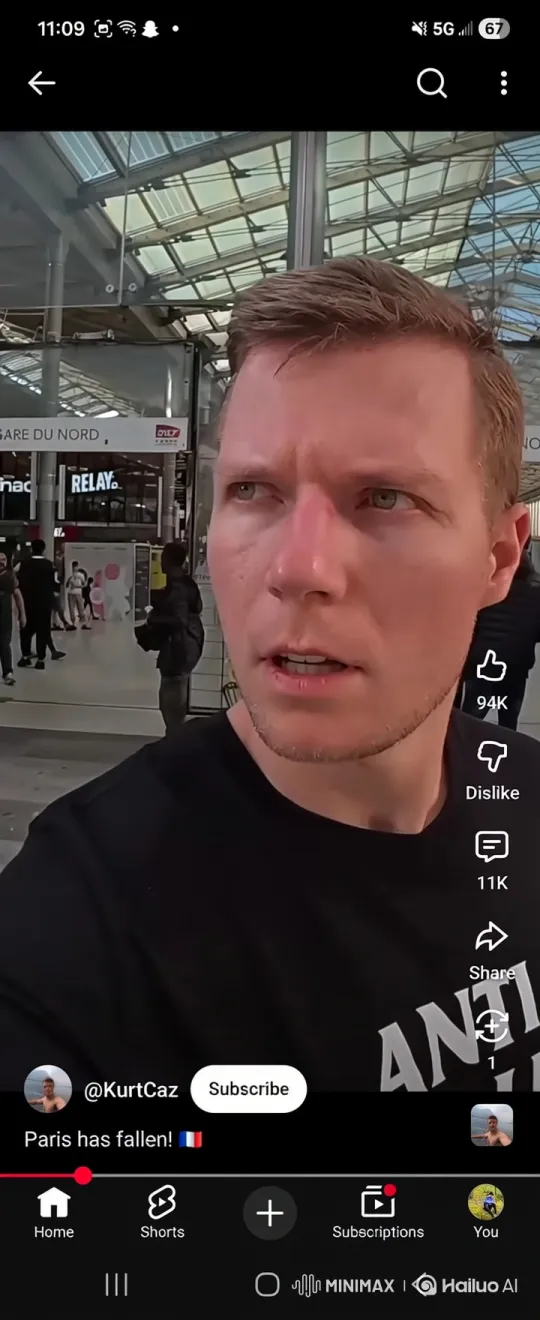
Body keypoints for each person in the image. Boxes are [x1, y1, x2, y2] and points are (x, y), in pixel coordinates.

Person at [1, 256, 540, 1096]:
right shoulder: (76, 924)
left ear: (500, 557)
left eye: (385, 498)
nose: (299, 568)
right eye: (254, 490)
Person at [459, 539, 540, 729]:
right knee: (508, 722)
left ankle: (464, 747)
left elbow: (472, 621)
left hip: (483, 662)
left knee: (470, 719)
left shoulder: (491, 582)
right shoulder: (537, 589)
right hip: (516, 664)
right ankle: (503, 748)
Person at [135, 541, 203, 734]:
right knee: (176, 692)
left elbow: (178, 620)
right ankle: (175, 736)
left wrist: (153, 620)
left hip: (179, 648)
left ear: (168, 560)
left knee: (171, 699)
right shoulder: (187, 583)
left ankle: (175, 738)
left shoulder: (177, 587)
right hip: (189, 643)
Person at [17, 539, 60, 670]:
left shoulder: (24, 564)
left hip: (27, 603)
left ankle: (25, 657)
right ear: (43, 550)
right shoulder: (49, 565)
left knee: (25, 630)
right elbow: (56, 585)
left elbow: (18, 581)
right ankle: (41, 660)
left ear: (31, 549)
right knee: (43, 631)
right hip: (44, 604)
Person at [0, 551, 25, 686]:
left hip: (4, 617)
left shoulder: (10, 577)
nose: (1, 561)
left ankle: (7, 673)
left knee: (4, 645)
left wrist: (22, 614)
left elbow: (17, 594)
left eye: (3, 559)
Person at [66, 562, 91, 628]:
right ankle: (73, 624)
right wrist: (69, 580)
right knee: (71, 609)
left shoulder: (81, 575)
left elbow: (84, 585)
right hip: (70, 593)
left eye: (76, 566)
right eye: (73, 566)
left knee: (81, 608)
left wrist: (77, 585)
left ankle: (84, 624)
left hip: (78, 593)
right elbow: (67, 585)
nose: (74, 568)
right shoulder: (69, 574)